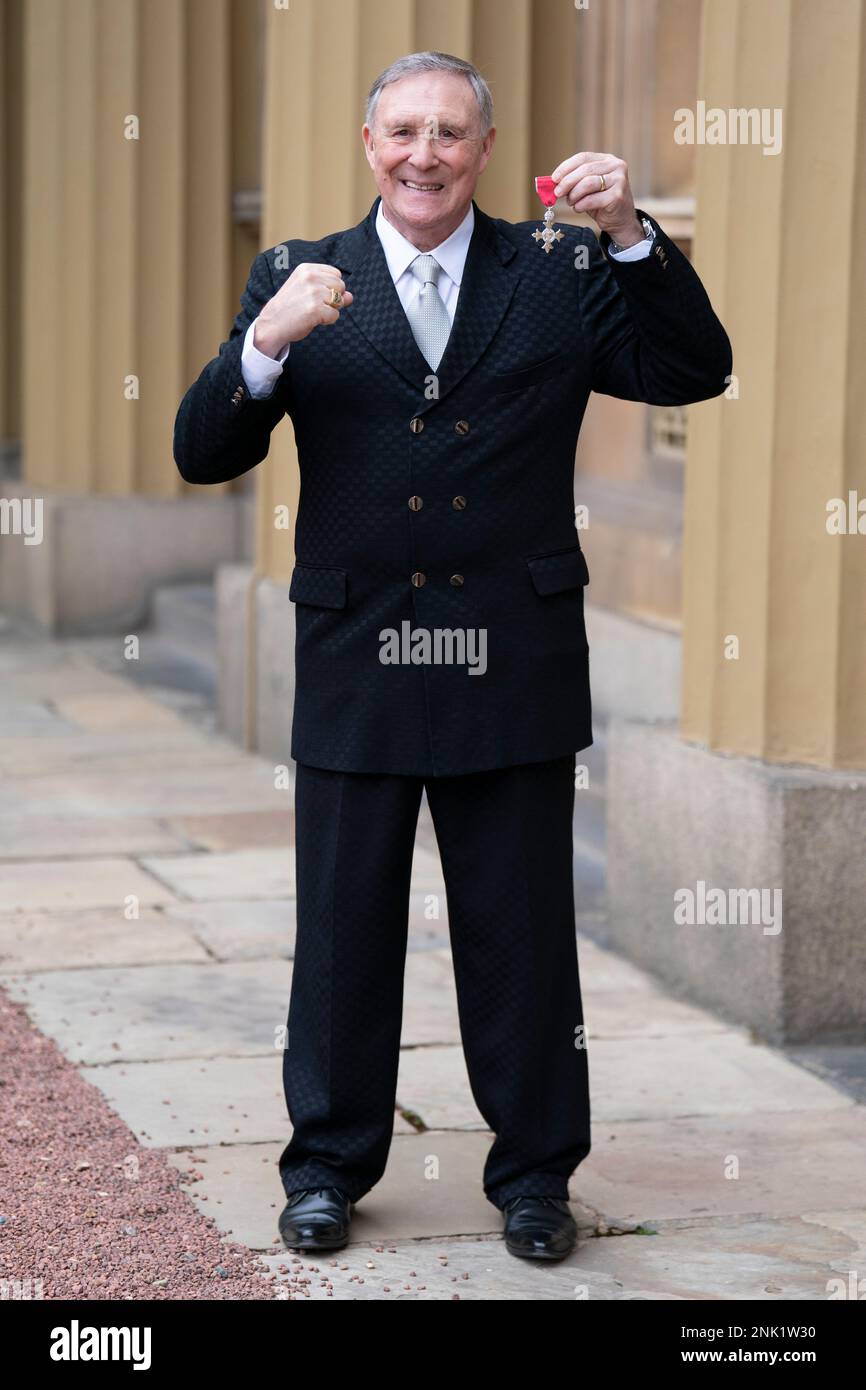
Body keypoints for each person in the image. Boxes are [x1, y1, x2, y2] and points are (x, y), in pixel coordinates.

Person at [173, 50, 732, 1262]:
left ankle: (534, 1177)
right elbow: (202, 452)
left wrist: (631, 231)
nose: (424, 153)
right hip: (356, 654)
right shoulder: (297, 272)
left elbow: (696, 368)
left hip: (510, 655)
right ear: (367, 143)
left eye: (449, 132)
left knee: (518, 932)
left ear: (483, 150)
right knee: (341, 933)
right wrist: (260, 347)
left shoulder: (562, 265)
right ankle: (325, 1166)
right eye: (403, 131)